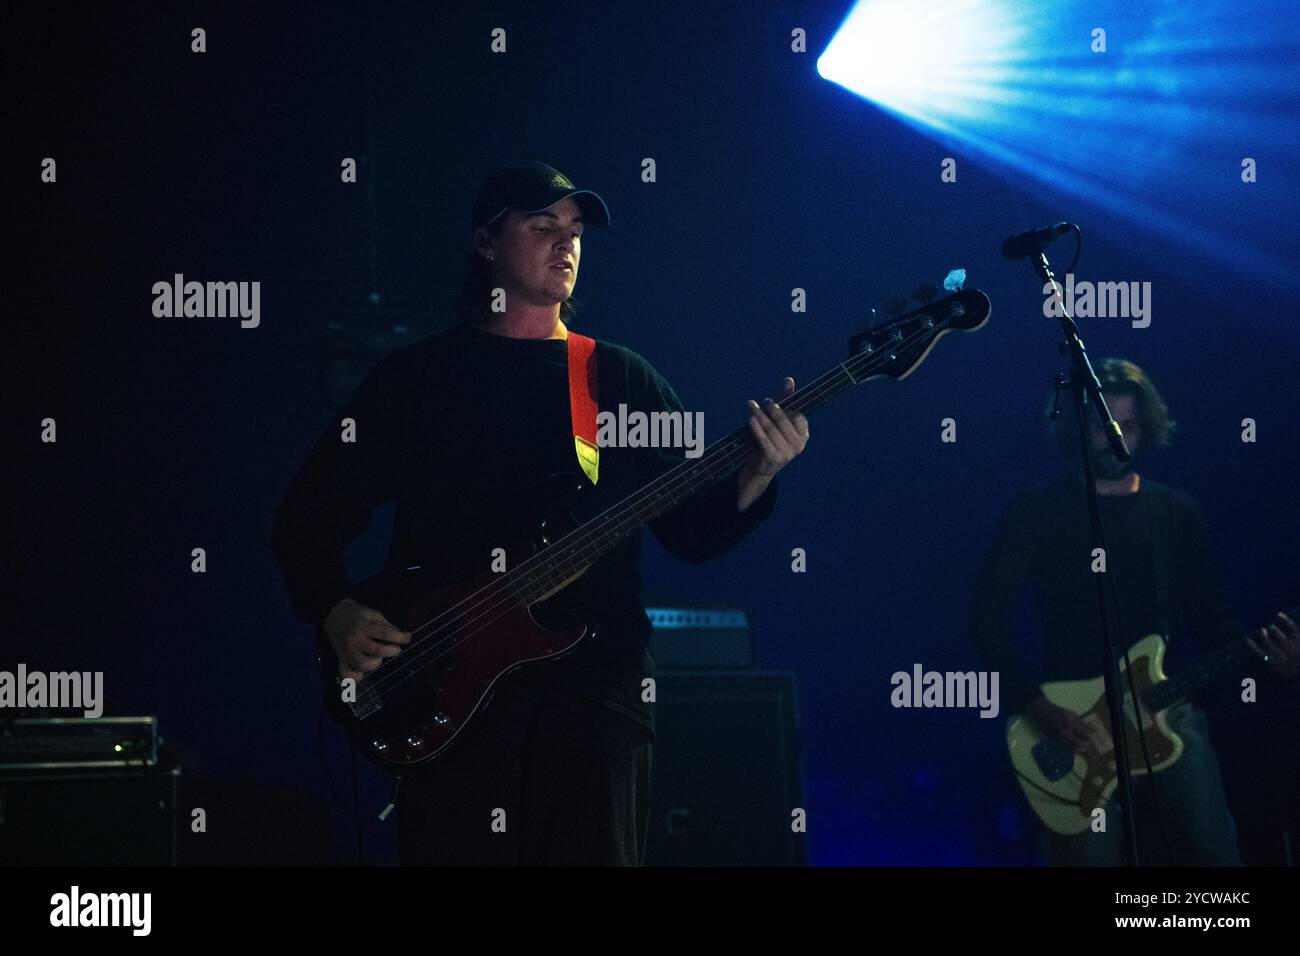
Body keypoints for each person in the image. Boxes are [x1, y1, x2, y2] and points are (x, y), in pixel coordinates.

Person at [271, 161, 809, 865]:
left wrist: (759, 472)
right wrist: (335, 610)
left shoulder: (621, 379)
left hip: (593, 700)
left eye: (576, 231)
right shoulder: (416, 378)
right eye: (542, 225)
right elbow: (306, 515)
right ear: (486, 242)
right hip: (445, 692)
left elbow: (694, 534)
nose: (566, 244)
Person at [971, 357, 1297, 865]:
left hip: (1169, 716)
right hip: (1070, 727)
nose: (1116, 438)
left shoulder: (1176, 513)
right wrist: (1035, 706)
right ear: (1078, 426)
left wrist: (1274, 668)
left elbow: (1213, 623)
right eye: (1104, 425)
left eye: (1129, 425)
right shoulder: (1035, 513)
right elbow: (986, 617)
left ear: (1147, 428)